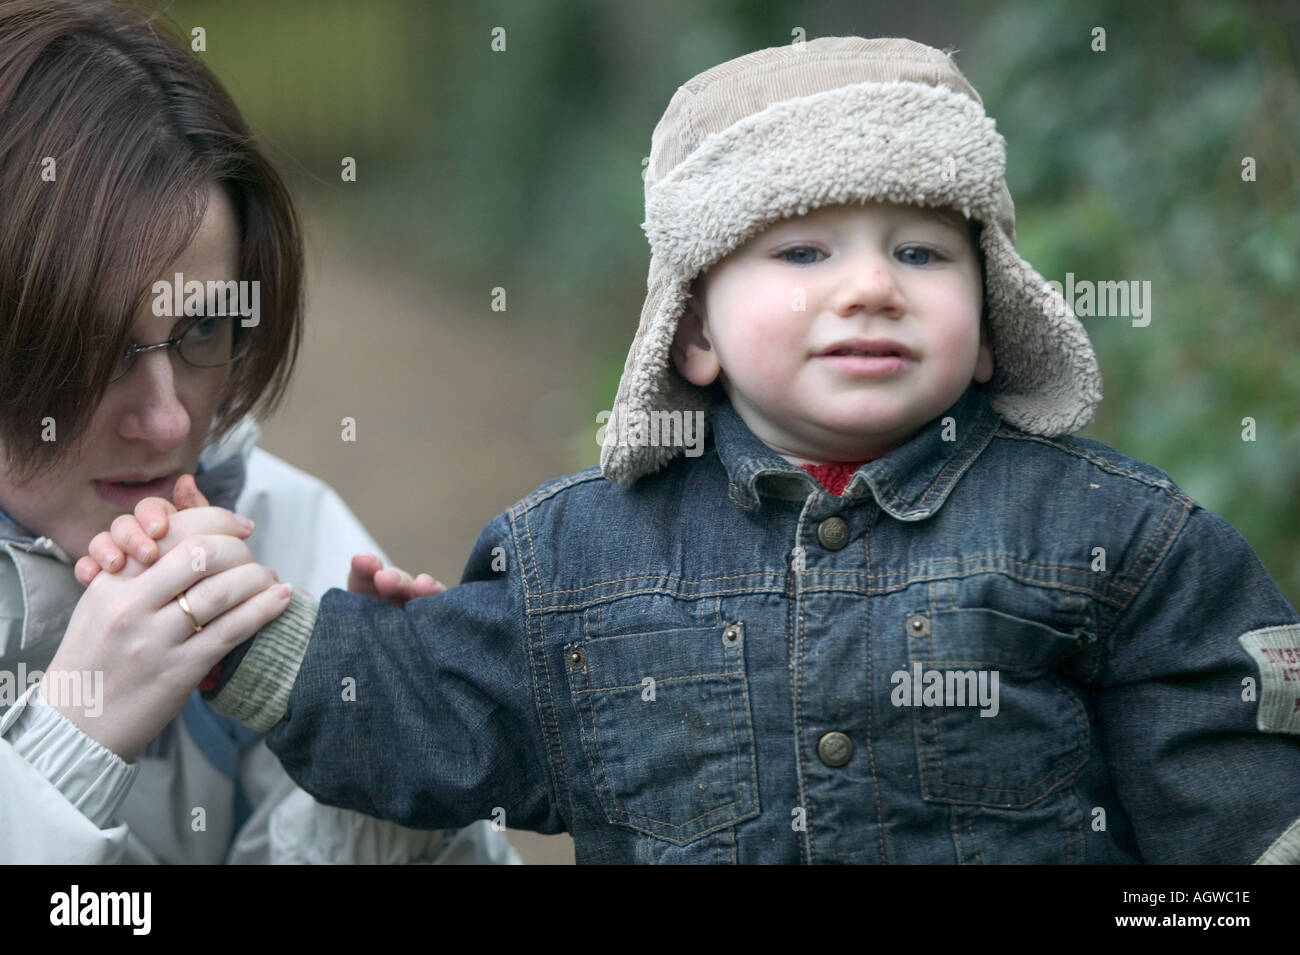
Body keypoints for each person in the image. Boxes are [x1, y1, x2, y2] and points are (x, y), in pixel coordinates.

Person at [95, 37, 1300, 863]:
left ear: (990, 325)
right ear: (695, 329)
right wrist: (242, 635)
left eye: (924, 253)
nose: (872, 286)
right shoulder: (576, 558)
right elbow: (431, 707)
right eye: (803, 252)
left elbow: (1227, 777)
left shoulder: (1117, 541)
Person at [0, 0, 516, 864]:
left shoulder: (286, 531)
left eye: (201, 330)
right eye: (98, 344)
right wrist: (67, 751)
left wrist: (387, 791)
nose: (168, 419)